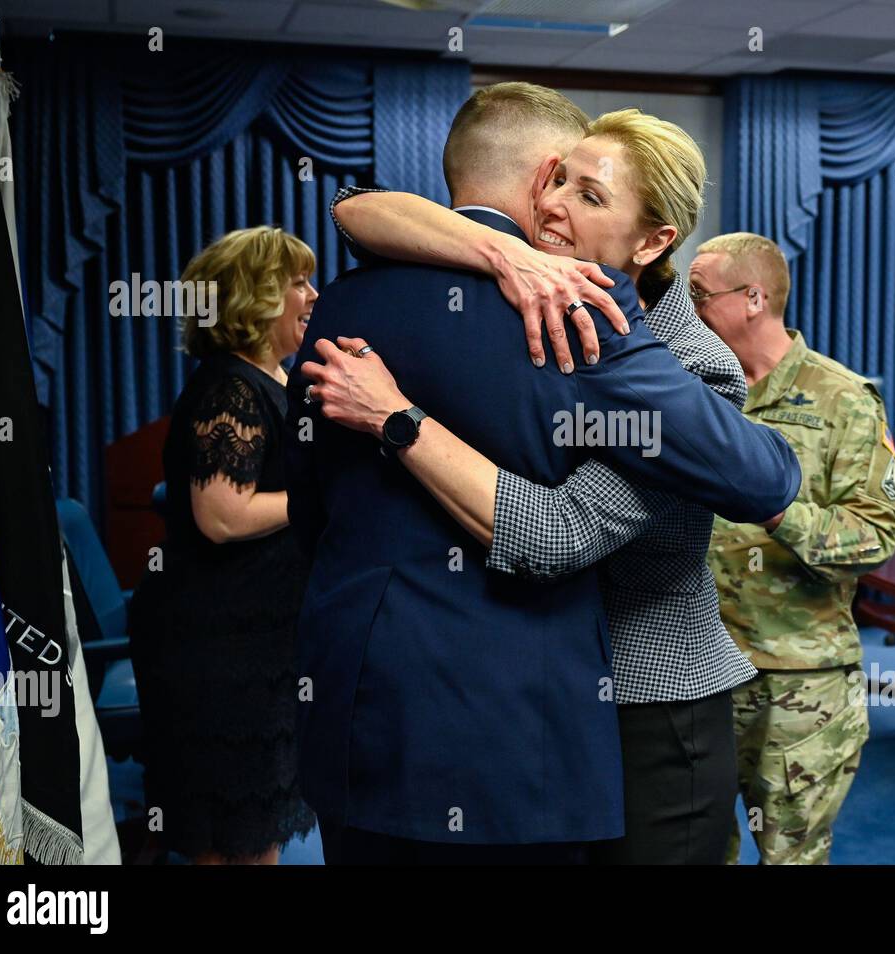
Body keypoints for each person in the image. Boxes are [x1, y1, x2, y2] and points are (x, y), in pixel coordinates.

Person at [285, 83, 800, 864]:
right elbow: (357, 204)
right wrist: (504, 250)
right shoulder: (526, 297)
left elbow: (558, 535)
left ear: (653, 240)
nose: (554, 205)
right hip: (527, 706)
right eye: (557, 181)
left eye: (589, 194)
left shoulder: (663, 353)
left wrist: (397, 419)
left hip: (652, 704)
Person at [692, 232, 895, 864]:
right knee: (698, 851)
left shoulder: (843, 399)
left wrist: (779, 510)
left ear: (753, 298)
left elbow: (875, 536)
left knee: (791, 856)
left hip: (797, 680)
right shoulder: (689, 391)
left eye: (701, 295)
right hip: (698, 670)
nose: (688, 309)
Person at [128, 226, 318, 864]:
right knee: (227, 838)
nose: (312, 295)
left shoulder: (274, 377)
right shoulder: (229, 388)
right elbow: (223, 515)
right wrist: (319, 504)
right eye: (296, 282)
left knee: (253, 830)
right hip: (216, 645)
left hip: (257, 637)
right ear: (256, 297)